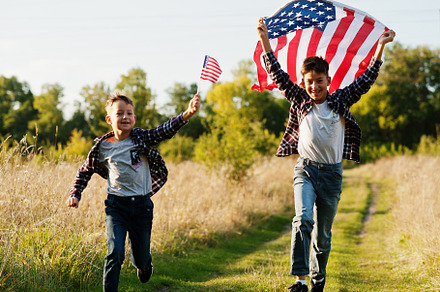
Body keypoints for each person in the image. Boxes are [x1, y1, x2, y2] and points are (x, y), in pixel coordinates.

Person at [256, 18, 395, 292]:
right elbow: (277, 73)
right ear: (303, 82)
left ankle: (319, 280)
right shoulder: (299, 99)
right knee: (303, 219)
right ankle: (299, 280)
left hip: (331, 175)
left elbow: (367, 79)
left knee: (323, 235)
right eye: (309, 82)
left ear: (328, 80)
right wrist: (264, 39)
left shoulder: (341, 100)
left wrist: (380, 46)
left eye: (319, 81)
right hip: (305, 170)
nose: (314, 86)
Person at [66, 91, 200, 292]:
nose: (125, 117)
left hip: (142, 207)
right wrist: (75, 193)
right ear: (109, 119)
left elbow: (164, 130)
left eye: (129, 113)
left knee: (141, 258)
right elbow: (85, 170)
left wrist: (188, 113)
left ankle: (144, 265)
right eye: (119, 113)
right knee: (114, 253)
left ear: (134, 118)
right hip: (116, 206)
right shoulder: (101, 148)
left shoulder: (141, 138)